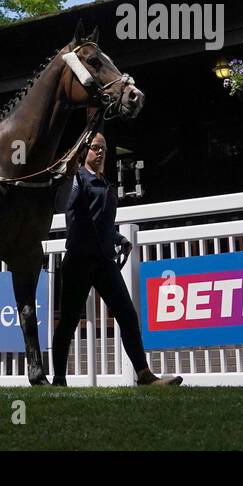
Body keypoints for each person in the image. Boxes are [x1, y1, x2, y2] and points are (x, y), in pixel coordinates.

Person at [51, 131, 181, 387]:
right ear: (84, 151)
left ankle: (144, 375)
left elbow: (103, 224)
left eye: (104, 149)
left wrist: (120, 239)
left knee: (128, 315)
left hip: (104, 262)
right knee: (68, 321)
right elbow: (65, 204)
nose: (100, 152)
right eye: (95, 148)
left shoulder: (107, 184)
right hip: (78, 260)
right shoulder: (78, 179)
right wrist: (69, 174)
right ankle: (58, 379)